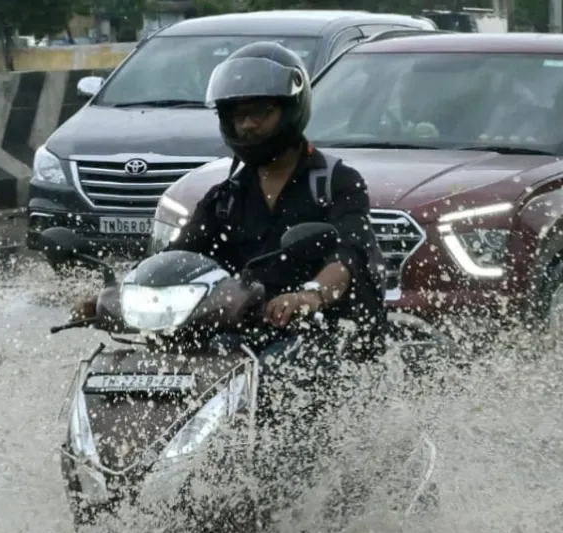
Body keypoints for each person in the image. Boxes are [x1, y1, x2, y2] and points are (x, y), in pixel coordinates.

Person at [71, 40, 388, 424]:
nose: (247, 125)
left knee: (292, 387)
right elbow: (176, 258)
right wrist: (119, 295)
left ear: (291, 109)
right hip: (241, 332)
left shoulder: (337, 182)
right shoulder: (225, 197)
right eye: (237, 116)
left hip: (323, 331)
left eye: (260, 113)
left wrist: (311, 294)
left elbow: (349, 254)